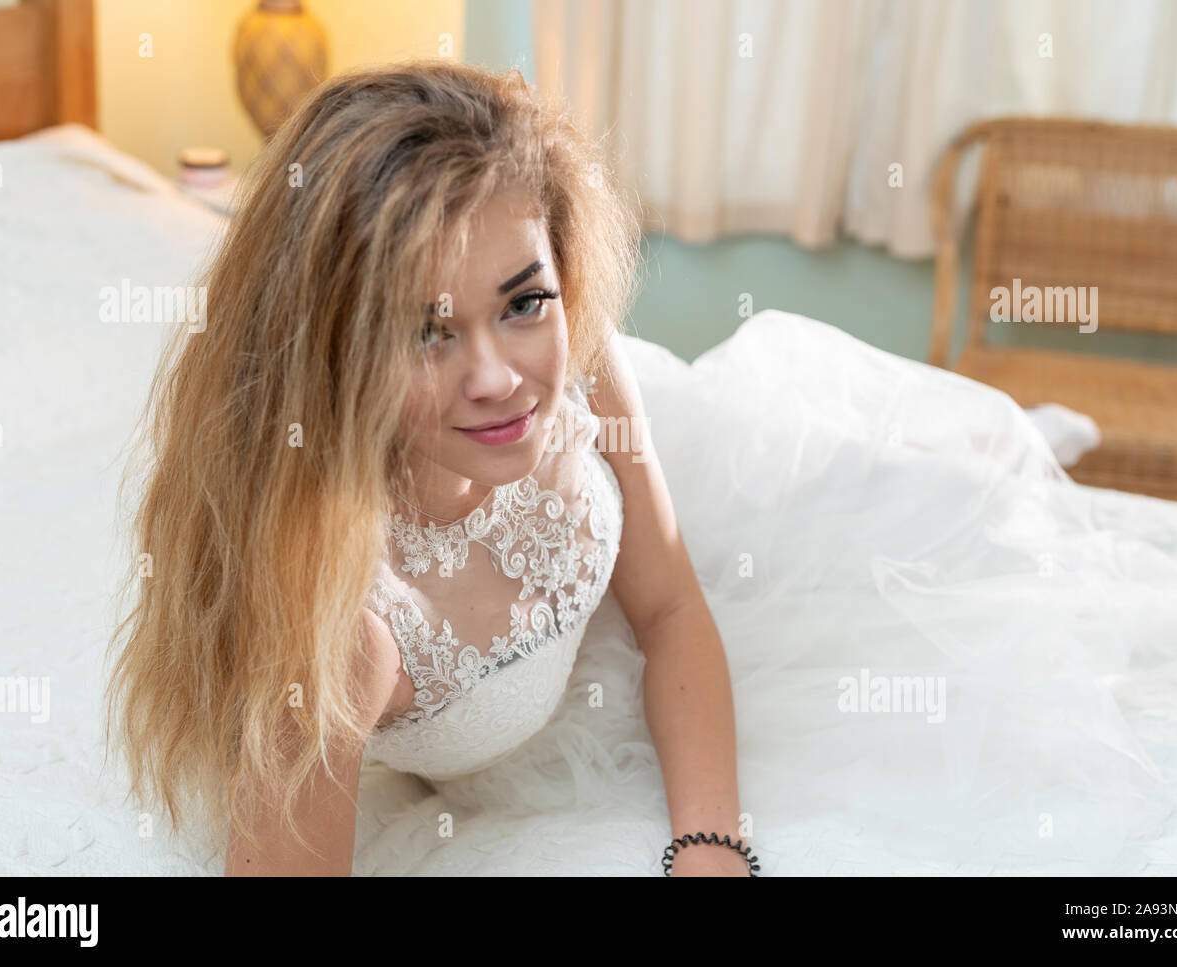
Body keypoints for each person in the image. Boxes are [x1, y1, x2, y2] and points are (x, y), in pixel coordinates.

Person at [103, 59, 752, 876]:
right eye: (426, 331)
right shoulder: (341, 621)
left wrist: (711, 849)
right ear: (337, 349)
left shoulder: (579, 351)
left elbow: (669, 608)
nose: (498, 379)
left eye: (522, 303)